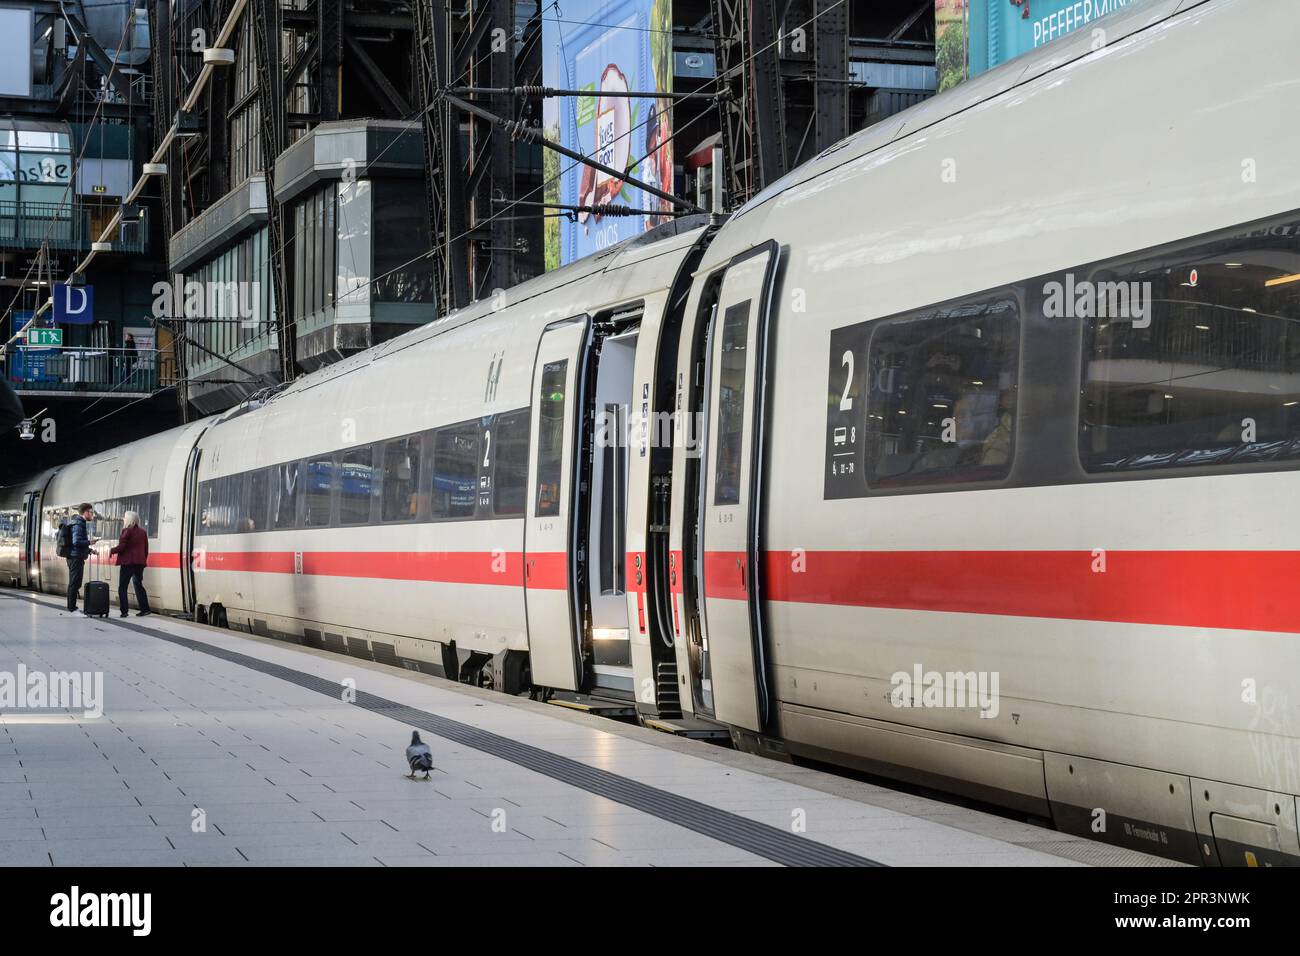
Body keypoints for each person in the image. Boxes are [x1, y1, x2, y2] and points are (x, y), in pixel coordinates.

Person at [109, 510, 152, 618]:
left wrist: (112, 550)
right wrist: (142, 560)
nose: (123, 519)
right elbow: (146, 549)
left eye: (124, 517)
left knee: (122, 587)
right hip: (140, 563)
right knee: (138, 585)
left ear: (129, 520)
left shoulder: (126, 531)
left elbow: (122, 547)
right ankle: (145, 609)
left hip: (128, 563)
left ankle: (124, 611)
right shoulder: (143, 532)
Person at [64, 503, 98, 613]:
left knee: (76, 582)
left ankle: (72, 606)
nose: (92, 515)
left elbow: (78, 544)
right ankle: (71, 607)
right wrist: (90, 542)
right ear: (86, 512)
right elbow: (76, 542)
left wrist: (90, 550)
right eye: (91, 512)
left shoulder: (80, 523)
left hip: (76, 556)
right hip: (75, 558)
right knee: (74, 582)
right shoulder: (78, 524)